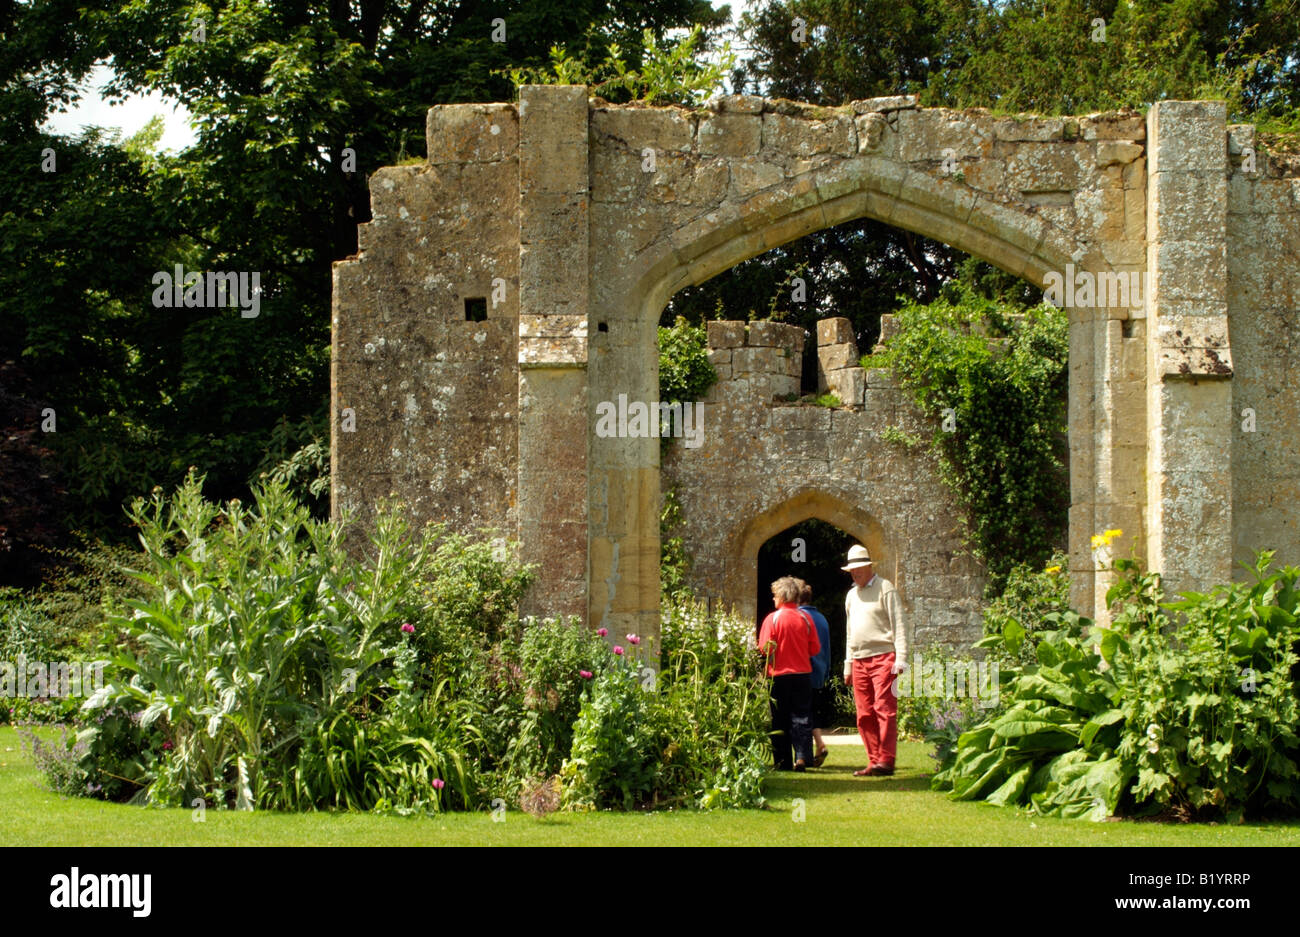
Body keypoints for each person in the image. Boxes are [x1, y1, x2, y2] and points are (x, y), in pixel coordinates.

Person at [841, 545, 908, 777]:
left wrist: (901, 659)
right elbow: (850, 632)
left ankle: (886, 761)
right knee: (864, 714)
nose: (854, 573)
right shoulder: (851, 596)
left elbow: (899, 624)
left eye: (858, 568)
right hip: (859, 660)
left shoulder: (885, 588)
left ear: (870, 567)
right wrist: (848, 664)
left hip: (883, 657)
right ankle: (873, 762)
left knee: (884, 709)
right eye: (851, 570)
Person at [757, 575, 820, 771]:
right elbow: (815, 648)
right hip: (802, 674)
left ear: (782, 596)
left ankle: (782, 761)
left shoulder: (772, 619)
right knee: (801, 715)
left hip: (778, 674)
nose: (773, 599)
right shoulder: (805, 618)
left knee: (780, 718)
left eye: (775, 595)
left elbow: (764, 648)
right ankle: (802, 756)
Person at [796, 579, 832, 767]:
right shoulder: (822, 619)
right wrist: (826, 671)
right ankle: (819, 744)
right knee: (811, 711)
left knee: (802, 713)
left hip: (803, 671)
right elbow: (827, 647)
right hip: (819, 671)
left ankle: (806, 753)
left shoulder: (800, 618)